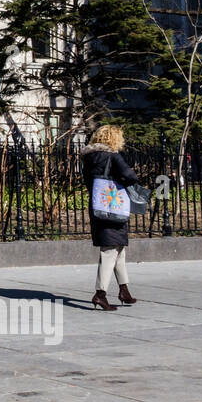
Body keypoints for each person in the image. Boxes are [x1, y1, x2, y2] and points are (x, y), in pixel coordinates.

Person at [80, 124, 139, 310]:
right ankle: (100, 293)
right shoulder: (113, 156)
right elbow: (130, 177)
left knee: (118, 249)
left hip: (99, 207)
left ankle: (124, 290)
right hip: (114, 207)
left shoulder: (88, 158)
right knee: (109, 252)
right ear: (114, 139)